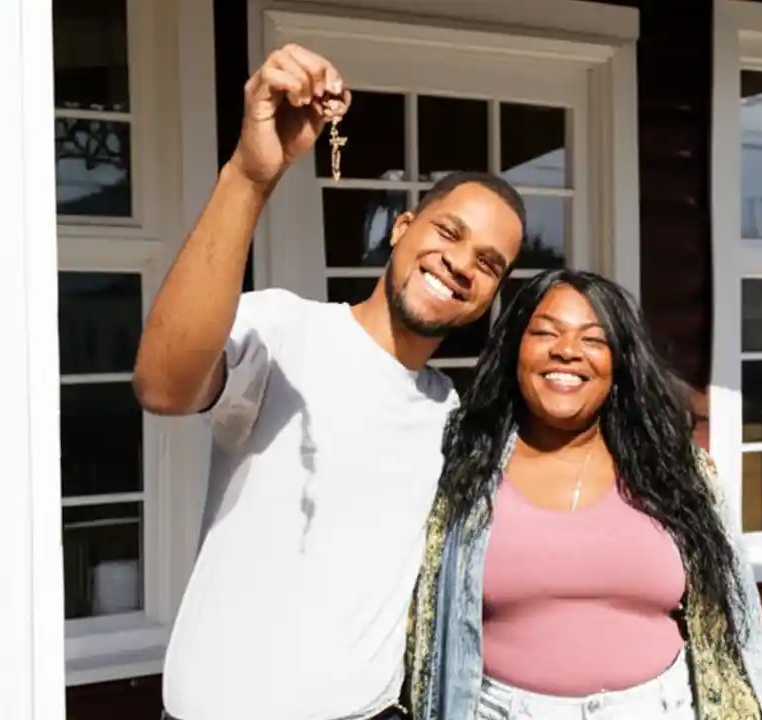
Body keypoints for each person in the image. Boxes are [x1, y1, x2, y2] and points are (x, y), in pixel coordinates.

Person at [132, 42, 526, 720]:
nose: (460, 263)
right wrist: (249, 178)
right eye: (449, 232)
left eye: (487, 263)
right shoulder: (287, 330)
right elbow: (163, 385)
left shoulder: (452, 416)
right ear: (403, 228)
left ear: (489, 296)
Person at [402, 269, 762, 719]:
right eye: (545, 332)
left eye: (593, 339)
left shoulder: (678, 471)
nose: (566, 351)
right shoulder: (460, 466)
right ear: (514, 351)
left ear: (619, 363)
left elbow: (732, 624)